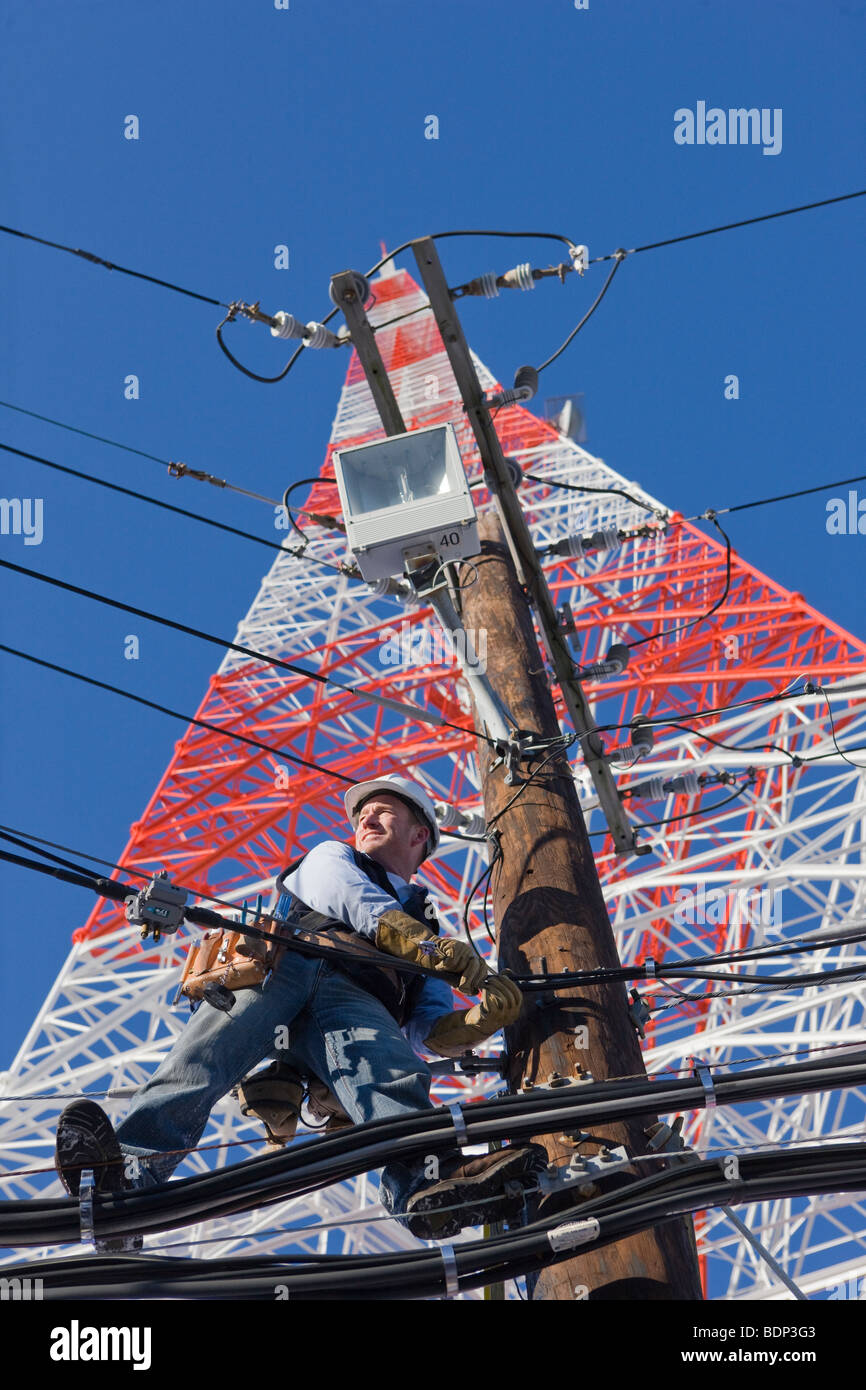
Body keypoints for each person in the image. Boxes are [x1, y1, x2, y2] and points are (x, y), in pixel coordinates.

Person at [55, 775, 544, 1240]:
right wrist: (431, 950)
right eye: (363, 814)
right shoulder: (335, 856)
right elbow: (353, 901)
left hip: (356, 1001)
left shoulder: (428, 927)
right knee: (202, 1060)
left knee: (392, 1074)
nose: (367, 819)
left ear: (420, 834)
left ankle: (425, 1182)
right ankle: (131, 1174)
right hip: (285, 963)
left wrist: (480, 1021)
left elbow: (426, 1029)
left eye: (383, 812)